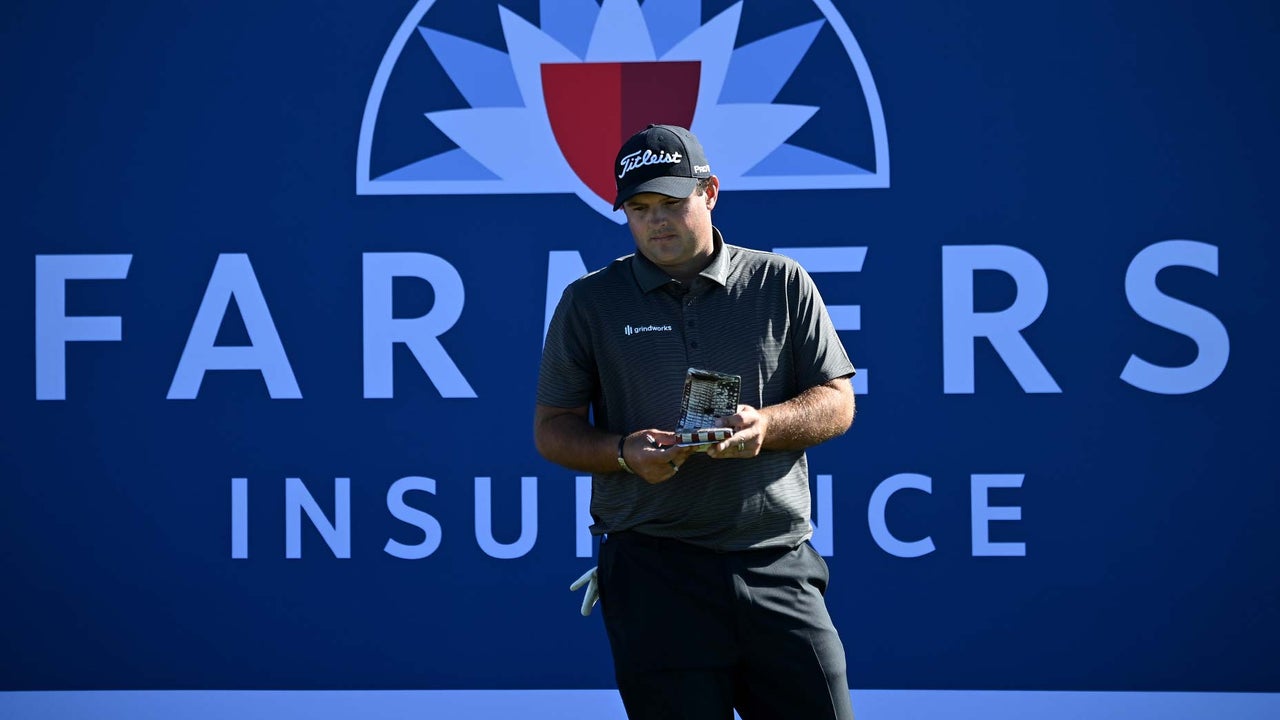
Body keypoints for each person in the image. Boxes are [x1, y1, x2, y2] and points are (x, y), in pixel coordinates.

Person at [534, 124, 857, 720]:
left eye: (671, 203)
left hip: (775, 561)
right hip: (654, 572)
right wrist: (624, 453)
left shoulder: (780, 282)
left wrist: (765, 426)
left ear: (709, 192)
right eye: (639, 208)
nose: (656, 222)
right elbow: (553, 426)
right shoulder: (590, 301)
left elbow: (837, 400)